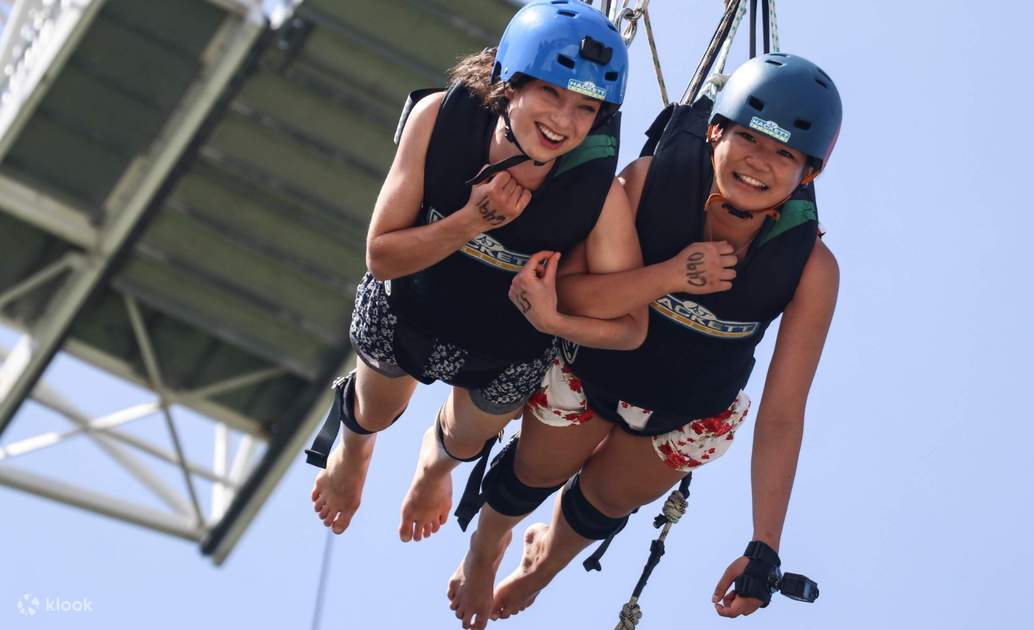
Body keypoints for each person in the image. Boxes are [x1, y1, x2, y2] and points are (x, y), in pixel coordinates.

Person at [449, 53, 844, 628]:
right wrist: (671, 276)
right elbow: (575, 294)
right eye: (750, 138)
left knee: (607, 501)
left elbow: (783, 414)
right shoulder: (645, 182)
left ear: (807, 174)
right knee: (535, 470)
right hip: (594, 369)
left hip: (687, 412)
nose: (760, 162)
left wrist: (765, 546)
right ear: (715, 132)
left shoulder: (812, 268)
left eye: (785, 154)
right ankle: (485, 548)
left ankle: (541, 568)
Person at [306, 0, 646, 550]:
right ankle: (355, 442)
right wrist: (470, 222)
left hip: (504, 347)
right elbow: (382, 256)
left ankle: (434, 471)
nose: (563, 121)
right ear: (510, 83)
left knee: (463, 442)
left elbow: (633, 328)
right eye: (551, 94)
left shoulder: (599, 196)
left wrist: (554, 316)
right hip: (408, 305)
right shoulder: (439, 118)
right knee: (376, 406)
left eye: (585, 109)